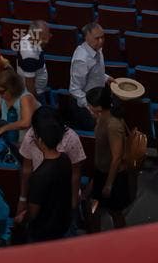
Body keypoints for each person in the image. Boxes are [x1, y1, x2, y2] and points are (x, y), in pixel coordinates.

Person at [16, 105, 85, 232]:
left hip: (63, 195)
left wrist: (74, 200)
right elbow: (26, 169)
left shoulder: (71, 138)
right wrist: (23, 198)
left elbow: (76, 173)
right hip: (40, 192)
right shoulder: (31, 136)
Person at [21, 109, 74, 243]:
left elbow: (33, 212)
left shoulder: (40, 175)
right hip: (62, 222)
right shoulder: (65, 159)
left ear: (40, 140)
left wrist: (22, 218)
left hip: (43, 231)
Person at [85, 85, 132, 231]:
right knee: (96, 206)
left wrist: (109, 184)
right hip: (101, 170)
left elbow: (117, 157)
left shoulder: (113, 125)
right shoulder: (102, 118)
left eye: (90, 106)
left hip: (113, 176)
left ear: (99, 108)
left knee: (115, 211)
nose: (88, 108)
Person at [0, 67, 36, 152]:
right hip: (9, 141)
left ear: (12, 88)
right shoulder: (2, 97)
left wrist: (4, 128)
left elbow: (26, 122)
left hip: (26, 144)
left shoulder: (25, 98)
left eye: (1, 91)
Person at [68, 22, 108, 131]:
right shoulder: (81, 60)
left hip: (97, 98)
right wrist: (90, 108)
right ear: (86, 38)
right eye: (97, 38)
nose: (101, 41)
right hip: (85, 105)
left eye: (102, 37)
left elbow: (94, 72)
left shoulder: (97, 48)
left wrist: (106, 78)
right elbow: (74, 89)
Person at [17, 20, 51, 101]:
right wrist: (35, 101)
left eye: (47, 36)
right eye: (43, 38)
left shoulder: (27, 38)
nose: (47, 41)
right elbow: (29, 85)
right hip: (37, 93)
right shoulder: (29, 57)